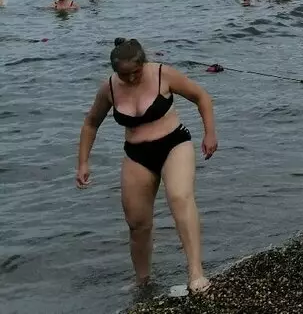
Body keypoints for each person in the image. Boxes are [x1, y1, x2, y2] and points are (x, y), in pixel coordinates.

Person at [76, 38, 217, 295]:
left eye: (135, 73)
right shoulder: (109, 88)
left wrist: (209, 134)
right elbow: (91, 123)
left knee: (179, 196)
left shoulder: (164, 73)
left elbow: (201, 97)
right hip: (137, 154)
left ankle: (196, 272)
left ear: (144, 62)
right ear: (115, 71)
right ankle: (142, 281)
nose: (130, 79)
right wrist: (83, 162)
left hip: (174, 143)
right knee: (137, 223)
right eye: (124, 75)